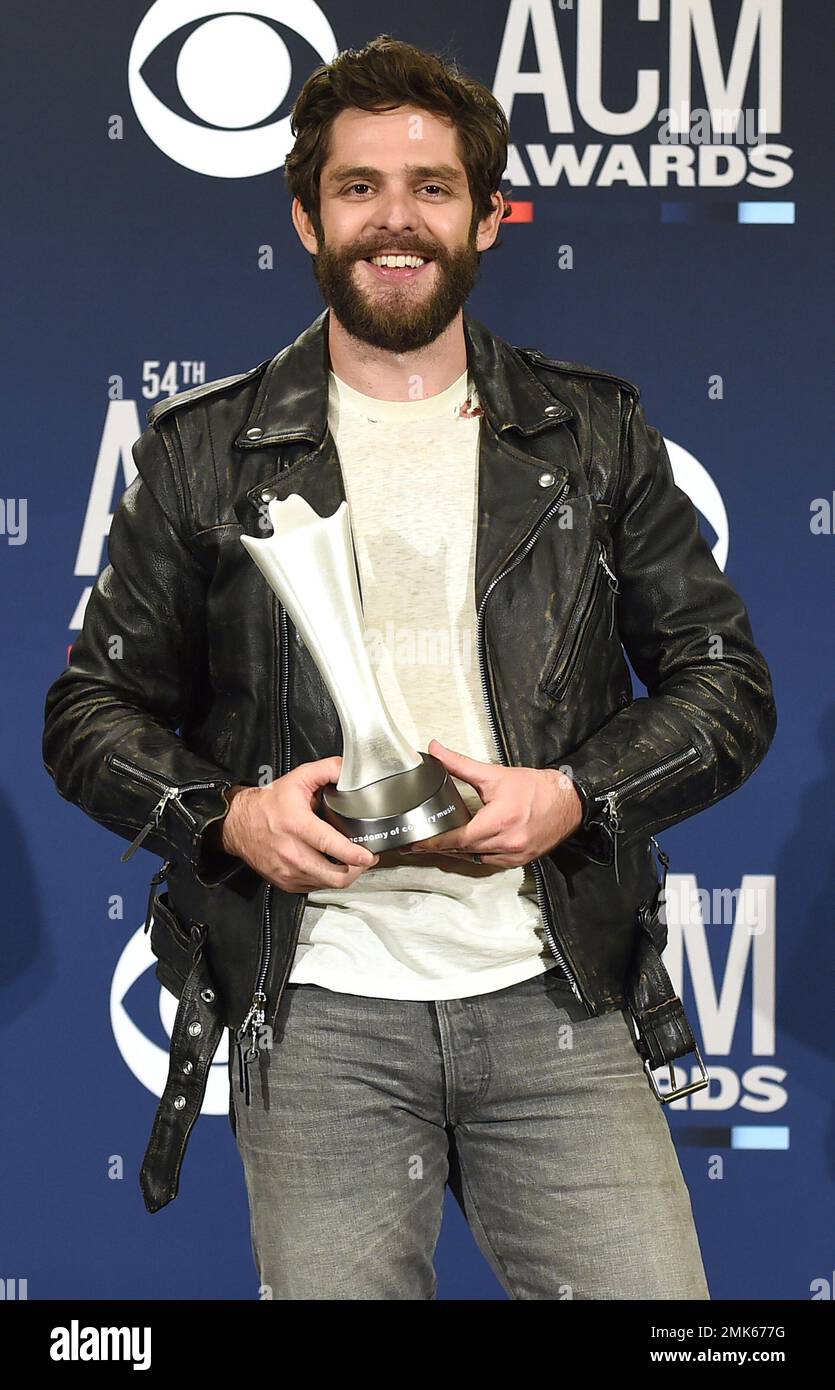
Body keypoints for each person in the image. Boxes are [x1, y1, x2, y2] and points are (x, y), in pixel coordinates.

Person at [42, 35, 776, 1299]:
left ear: (489, 216)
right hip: (318, 1001)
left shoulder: (593, 431)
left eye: (432, 188)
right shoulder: (202, 450)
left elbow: (725, 687)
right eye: (359, 186)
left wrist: (573, 797)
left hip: (559, 991)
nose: (395, 220)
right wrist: (228, 816)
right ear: (304, 214)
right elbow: (88, 712)